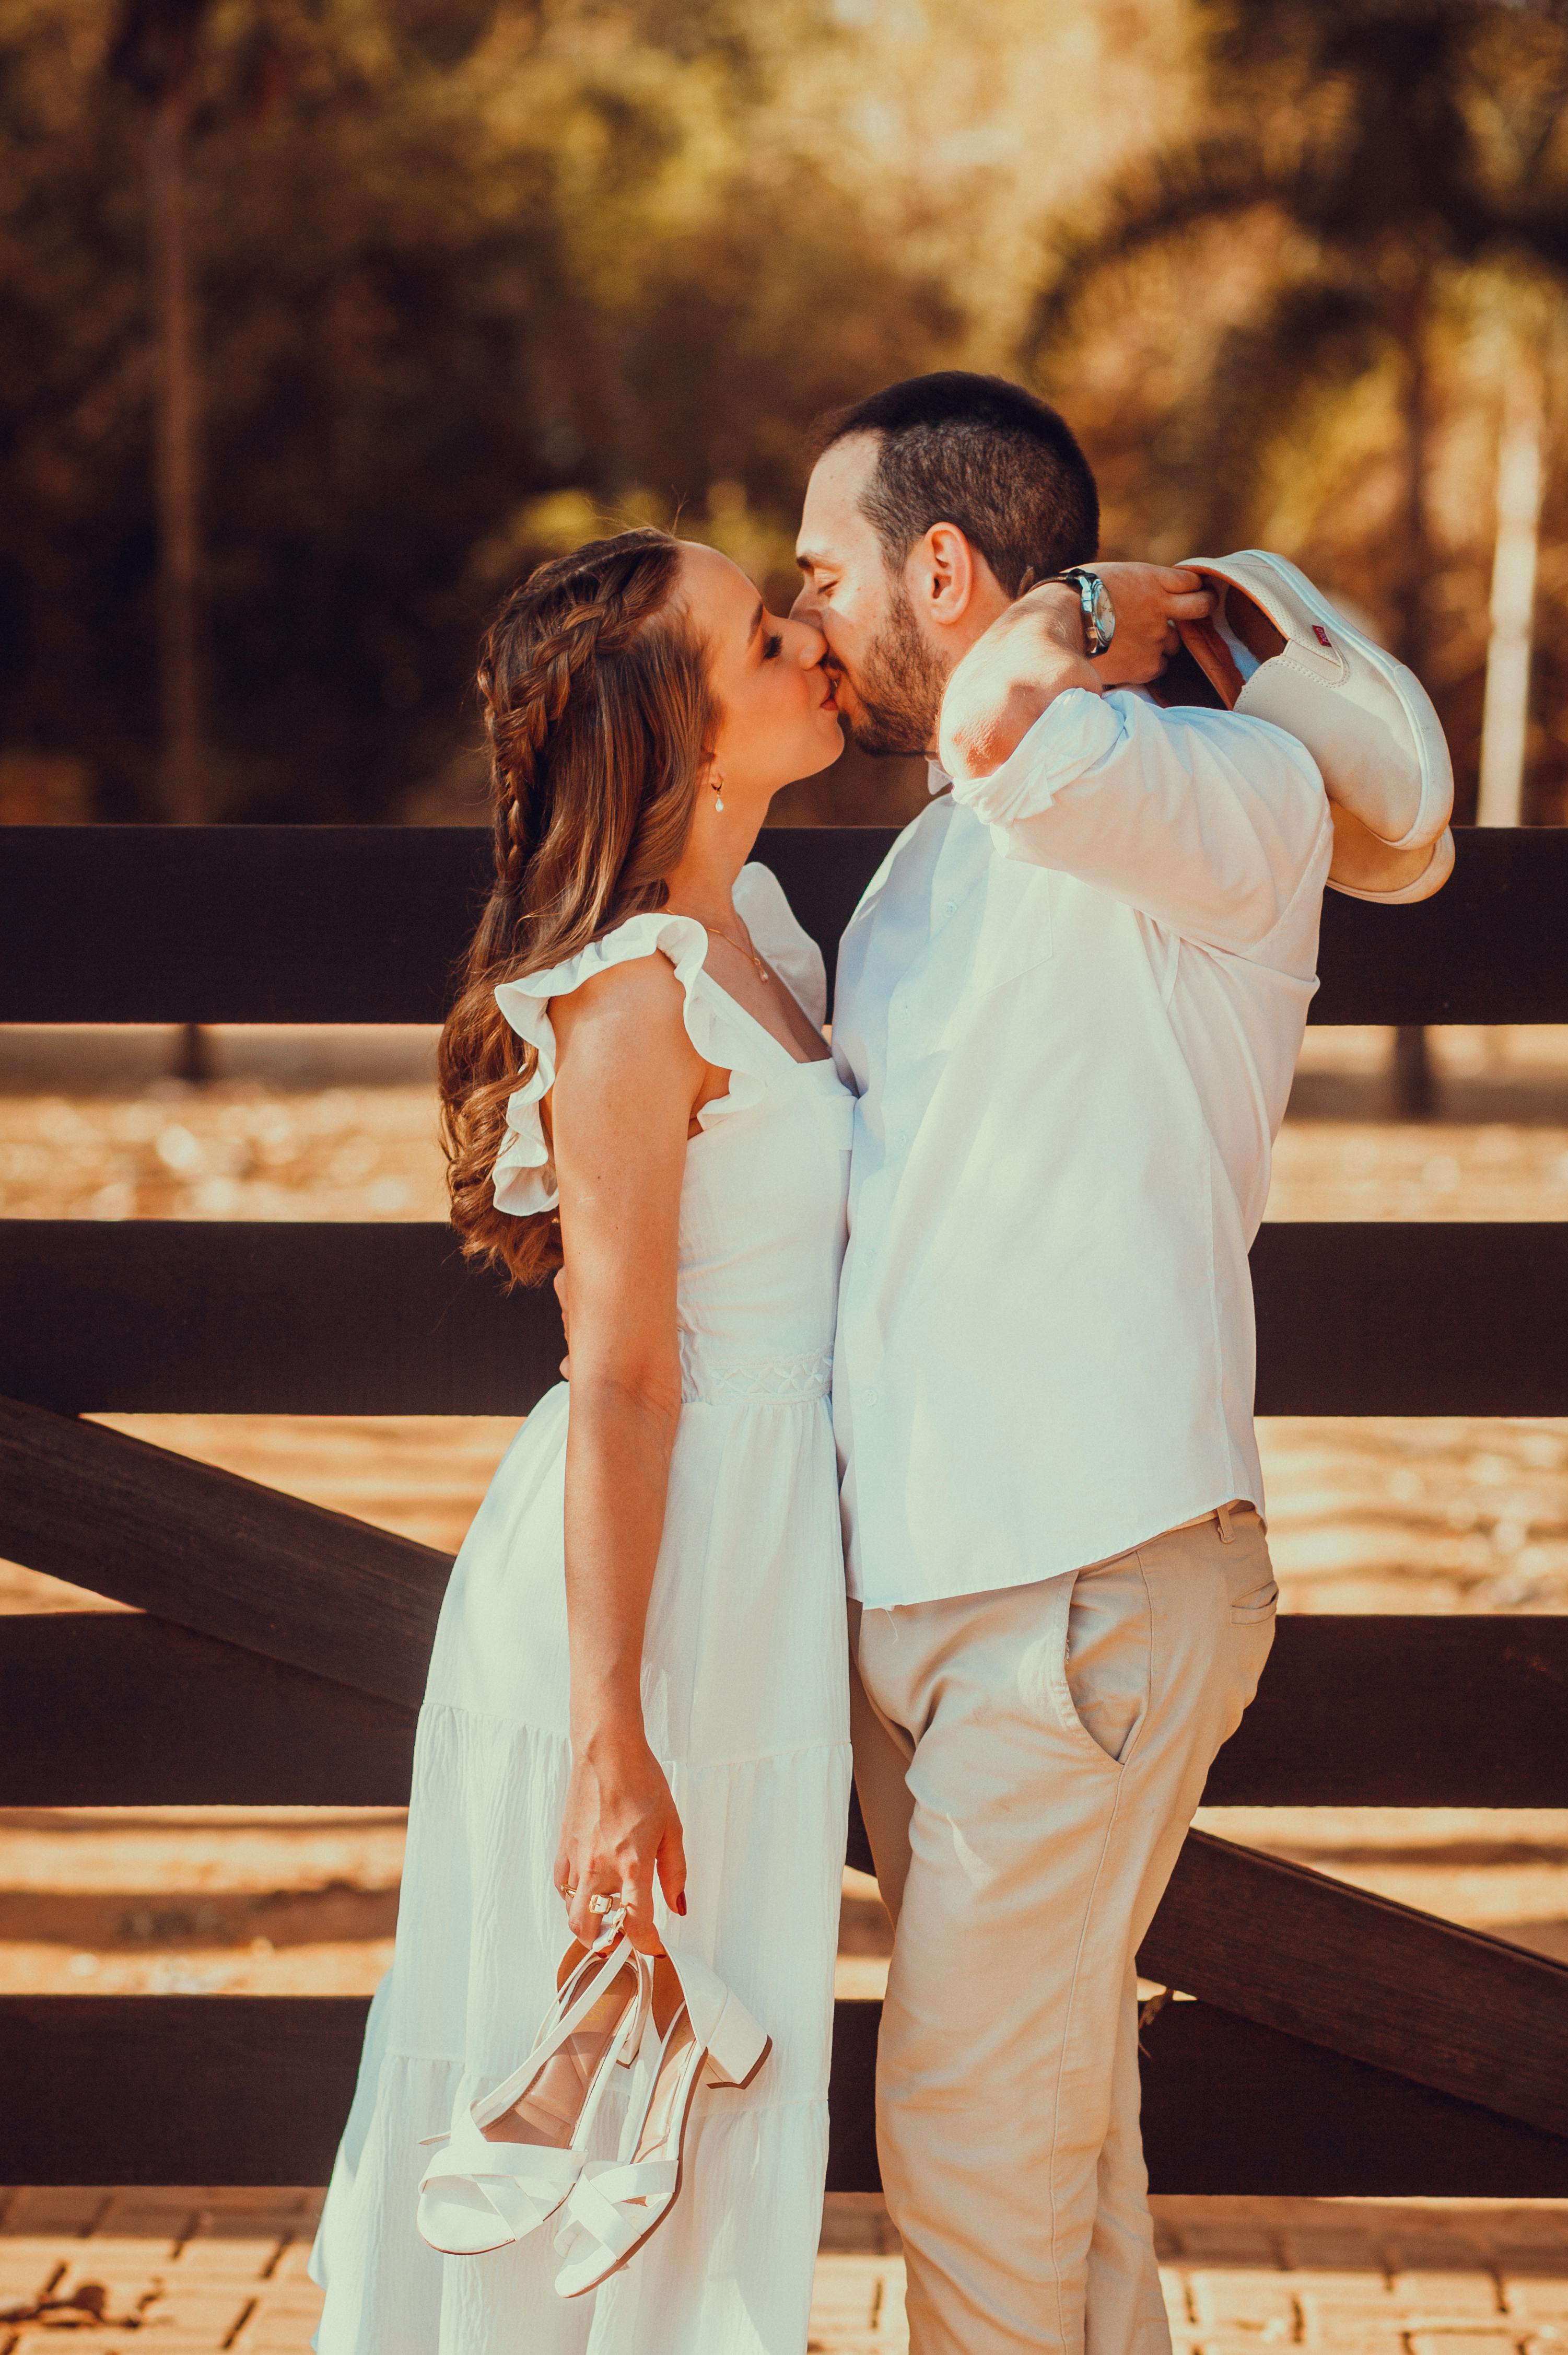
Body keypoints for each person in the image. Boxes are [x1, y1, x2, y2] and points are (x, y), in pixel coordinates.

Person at [789, 372, 1345, 2355]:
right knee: (1054, 2134)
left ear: (945, 570)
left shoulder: (1220, 797)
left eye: (826, 568)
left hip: (1091, 1578)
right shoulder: (925, 876)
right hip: (925, 1600)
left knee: (964, 2125)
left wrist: (1111, 602)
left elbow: (1010, 722)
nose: (802, 613)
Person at [311, 526, 858, 2354]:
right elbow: (623, 1373)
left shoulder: (762, 933)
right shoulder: (635, 998)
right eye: (766, 636)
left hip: (763, 1569)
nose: (809, 644)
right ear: (684, 736)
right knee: (583, 2122)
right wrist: (612, 1734)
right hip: (646, 1580)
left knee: (718, 2101)